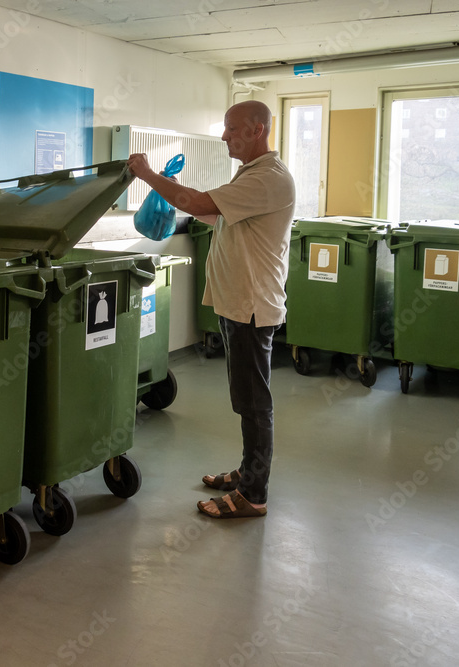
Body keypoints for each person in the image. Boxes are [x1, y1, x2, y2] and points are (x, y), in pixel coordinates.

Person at [127, 100, 295, 519]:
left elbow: (199, 200)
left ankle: (253, 495)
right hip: (237, 304)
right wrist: (175, 201)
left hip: (251, 307)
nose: (223, 136)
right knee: (246, 399)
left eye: (231, 128)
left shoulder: (269, 178)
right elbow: (212, 213)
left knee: (254, 404)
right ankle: (247, 471)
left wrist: (148, 176)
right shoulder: (252, 175)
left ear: (257, 130)